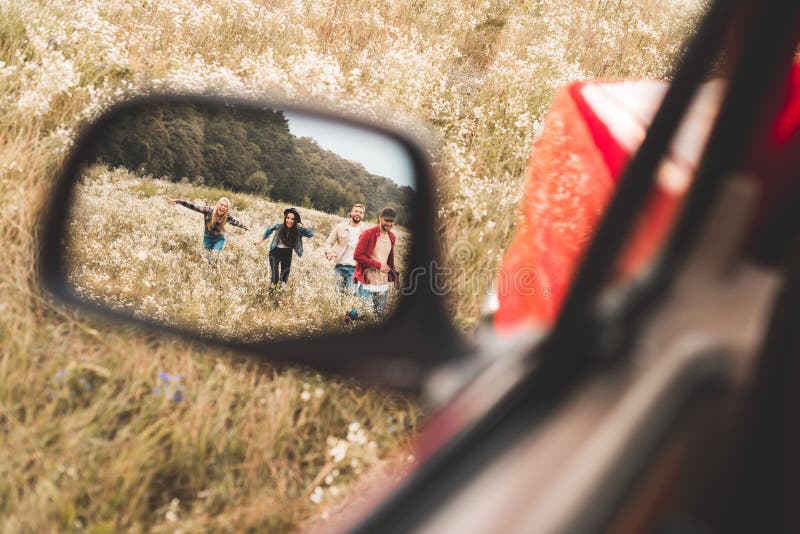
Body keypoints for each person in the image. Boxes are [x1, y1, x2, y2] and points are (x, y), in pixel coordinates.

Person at [164, 196, 249, 261]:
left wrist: (245, 227)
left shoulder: (227, 216)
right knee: (207, 260)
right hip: (207, 238)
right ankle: (211, 274)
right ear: (217, 205)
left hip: (219, 239)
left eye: (225, 206)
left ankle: (215, 273)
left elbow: (236, 222)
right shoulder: (208, 210)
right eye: (221, 205)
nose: (223, 207)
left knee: (213, 258)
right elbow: (192, 206)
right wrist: (177, 201)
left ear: (227, 209)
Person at [353, 207, 399, 319]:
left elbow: (389, 259)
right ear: (380, 218)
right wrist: (378, 265)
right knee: (366, 315)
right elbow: (357, 256)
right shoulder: (368, 233)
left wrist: (395, 277)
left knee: (379, 315)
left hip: (383, 283)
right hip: (367, 282)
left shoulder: (392, 237)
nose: (389, 223)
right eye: (386, 220)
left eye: (391, 221)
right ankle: (350, 314)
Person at [254, 207, 314, 289]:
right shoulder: (279, 226)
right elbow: (269, 230)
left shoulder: (299, 229)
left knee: (284, 280)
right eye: (288, 218)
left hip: (287, 254)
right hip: (275, 252)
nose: (289, 221)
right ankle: (271, 296)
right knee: (275, 278)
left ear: (296, 220)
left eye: (293, 219)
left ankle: (278, 297)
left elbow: (310, 234)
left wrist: (302, 222)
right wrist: (261, 240)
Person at [325, 203, 366, 293]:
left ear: (363, 215)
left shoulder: (365, 232)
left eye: (360, 212)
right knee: (336, 295)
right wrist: (329, 252)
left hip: (355, 270)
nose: (358, 213)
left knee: (351, 296)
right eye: (356, 211)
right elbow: (329, 242)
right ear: (351, 213)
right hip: (339, 266)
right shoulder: (340, 227)